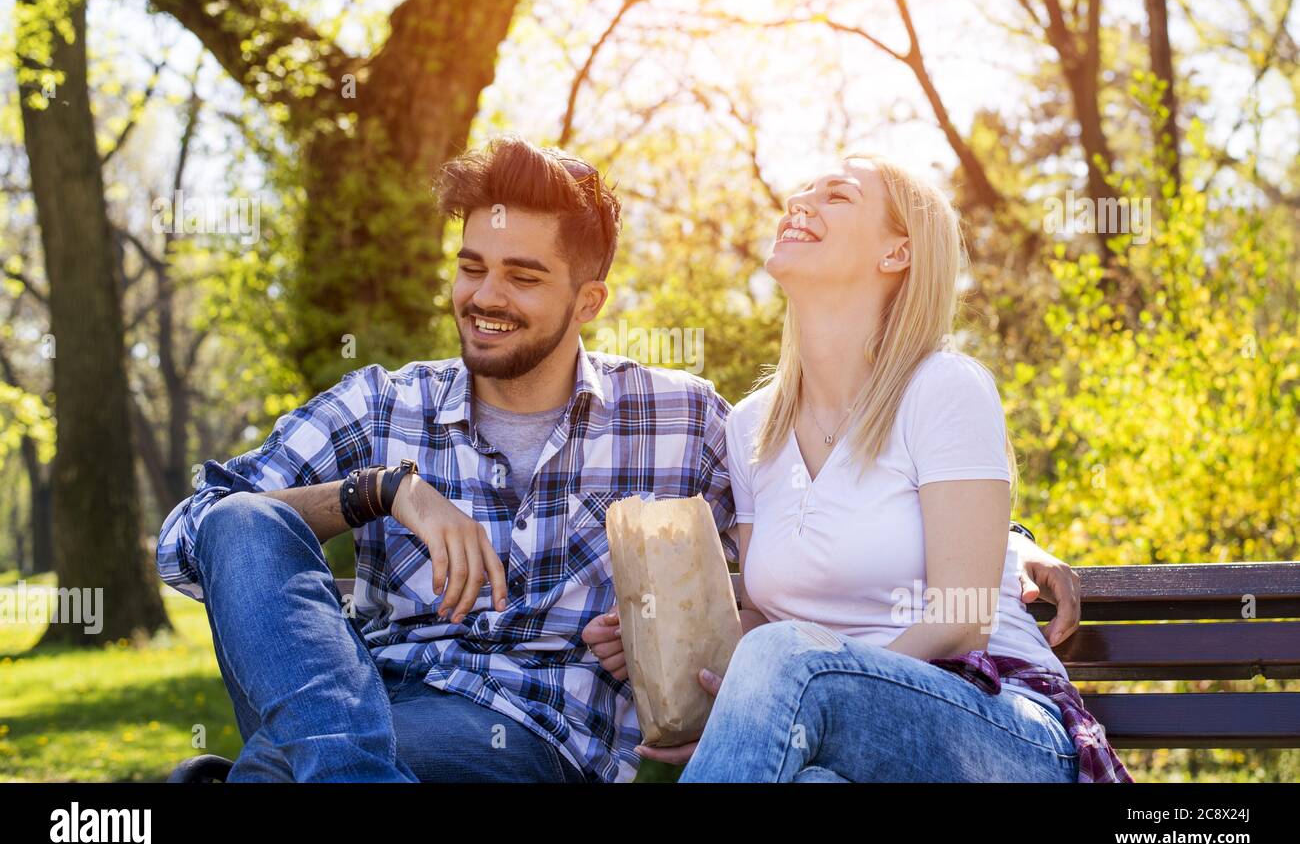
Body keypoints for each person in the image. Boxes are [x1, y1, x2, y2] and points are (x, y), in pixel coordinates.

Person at [159, 135, 1083, 782]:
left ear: (589, 299)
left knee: (272, 776)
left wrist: (1010, 546)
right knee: (246, 520)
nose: (485, 296)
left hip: (517, 735)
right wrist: (381, 492)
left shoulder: (683, 419)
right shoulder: (386, 403)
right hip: (356, 705)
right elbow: (190, 541)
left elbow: (909, 533)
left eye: (523, 276)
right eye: (472, 266)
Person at [586, 154, 1130, 782]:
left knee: (789, 661)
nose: (801, 200)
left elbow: (963, 619)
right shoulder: (751, 427)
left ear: (897, 253)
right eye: (804, 187)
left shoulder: (943, 388)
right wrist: (661, 634)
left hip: (997, 723)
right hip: (844, 737)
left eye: (838, 196)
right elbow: (772, 616)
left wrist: (811, 687)